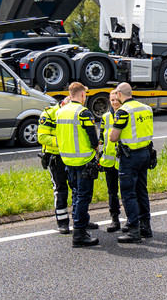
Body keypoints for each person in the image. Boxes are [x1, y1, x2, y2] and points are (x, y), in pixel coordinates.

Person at [53, 82, 102, 247]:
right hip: (83, 160)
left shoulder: (60, 112)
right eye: (85, 95)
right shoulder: (83, 112)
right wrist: (96, 148)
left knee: (76, 194)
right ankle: (79, 234)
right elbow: (92, 137)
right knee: (83, 196)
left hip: (67, 160)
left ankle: (81, 223)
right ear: (82, 94)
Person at [107, 82, 155, 243]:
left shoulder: (123, 112)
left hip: (130, 156)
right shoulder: (146, 108)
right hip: (145, 153)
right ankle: (145, 227)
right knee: (142, 190)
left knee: (128, 194)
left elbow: (113, 137)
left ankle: (134, 230)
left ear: (119, 94)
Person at [36, 102, 70, 234]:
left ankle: (81, 220)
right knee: (60, 189)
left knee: (79, 189)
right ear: (63, 103)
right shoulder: (49, 114)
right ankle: (62, 222)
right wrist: (63, 142)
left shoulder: (75, 112)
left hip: (72, 156)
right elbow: (42, 137)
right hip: (55, 158)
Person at [98, 94, 123, 233]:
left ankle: (132, 221)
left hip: (123, 161)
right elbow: (101, 137)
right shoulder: (106, 117)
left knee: (127, 193)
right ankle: (115, 219)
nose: (115, 102)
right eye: (112, 100)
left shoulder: (126, 114)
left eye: (117, 100)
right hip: (109, 162)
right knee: (112, 193)